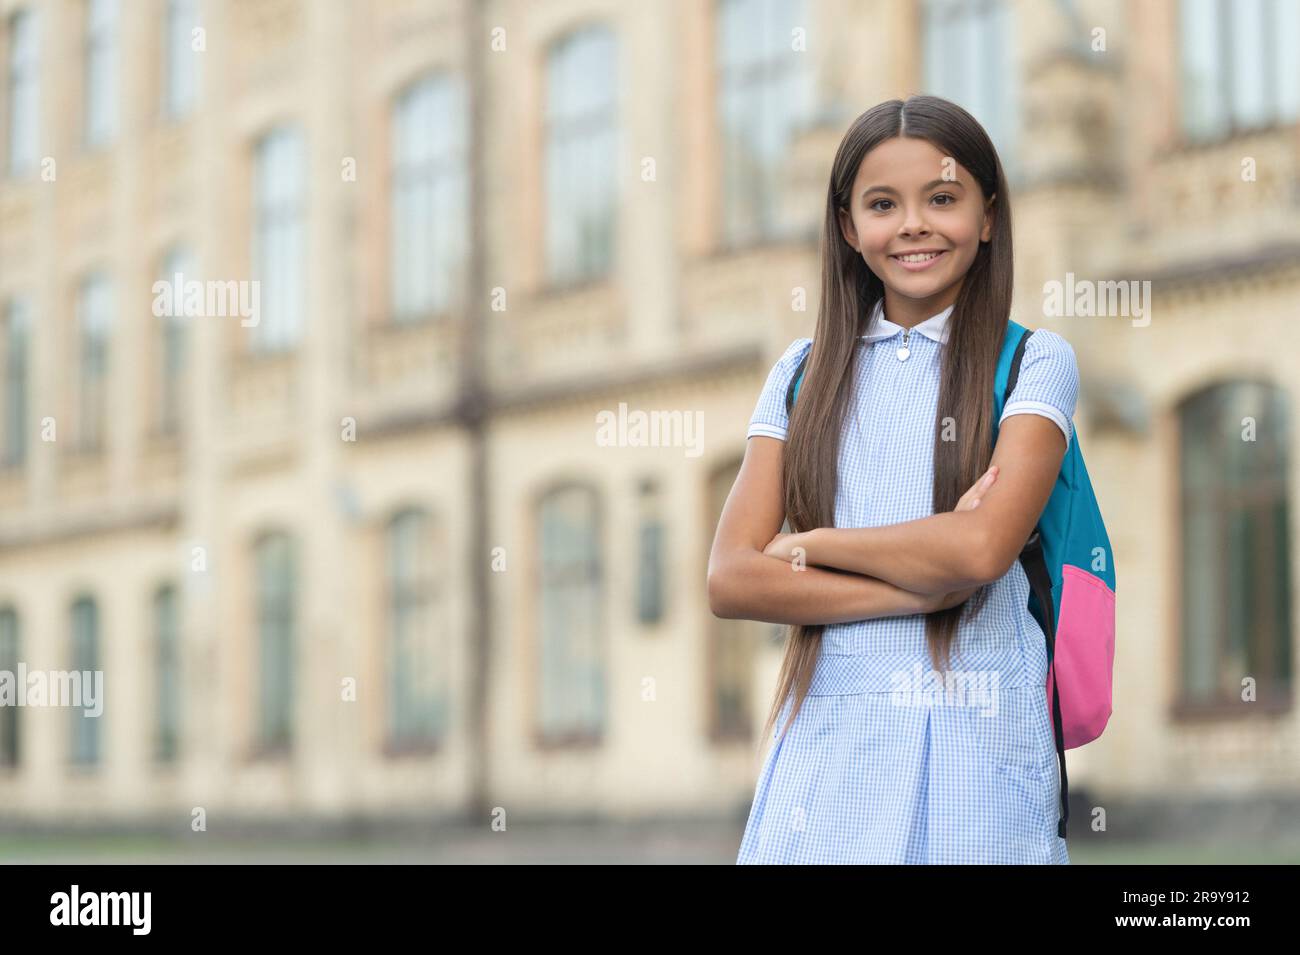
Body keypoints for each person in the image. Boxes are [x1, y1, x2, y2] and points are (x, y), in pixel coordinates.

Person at [707, 95, 1078, 864]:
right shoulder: (800, 374)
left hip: (978, 758)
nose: (913, 224)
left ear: (987, 216)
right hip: (826, 761)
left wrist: (811, 544)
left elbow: (979, 552)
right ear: (848, 226)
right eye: (883, 204)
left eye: (942, 198)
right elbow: (732, 577)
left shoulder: (1034, 363)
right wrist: (921, 585)